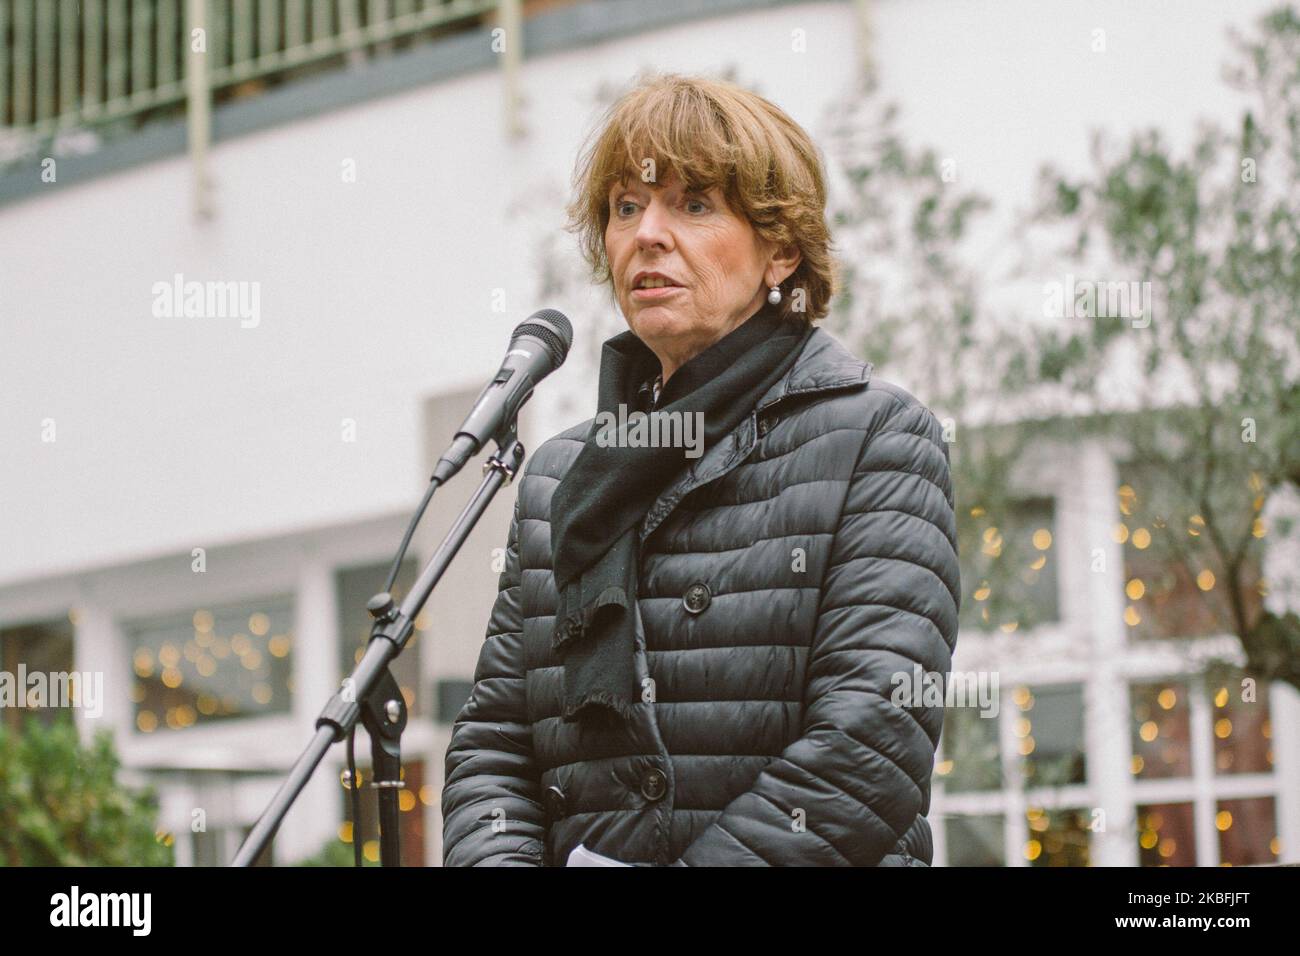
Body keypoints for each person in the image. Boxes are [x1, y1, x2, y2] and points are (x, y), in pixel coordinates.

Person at [442, 72, 960, 866]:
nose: (646, 233)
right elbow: (493, 747)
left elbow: (873, 741)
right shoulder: (555, 479)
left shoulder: (876, 438)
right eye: (624, 207)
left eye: (692, 204)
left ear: (780, 250)